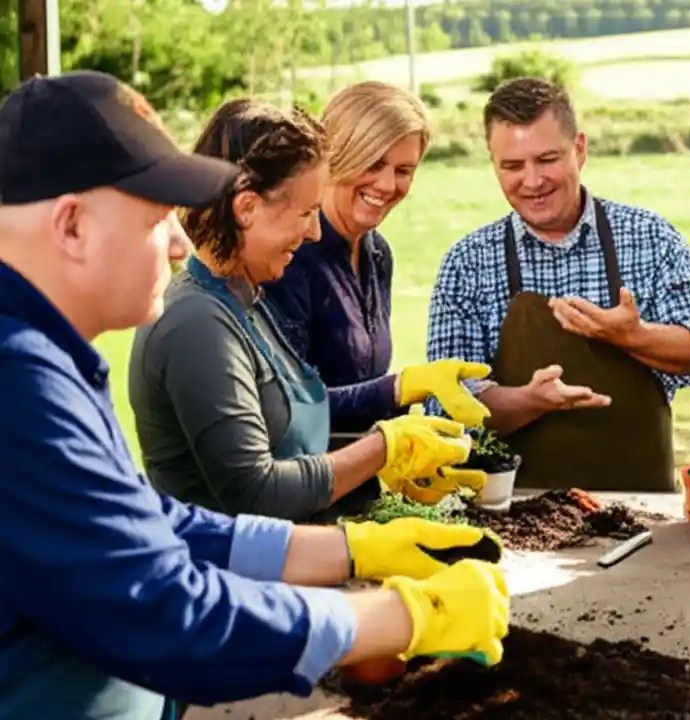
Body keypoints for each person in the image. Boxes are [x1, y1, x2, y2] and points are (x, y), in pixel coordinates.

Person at [0, 70, 508, 720]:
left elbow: (150, 525)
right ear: (72, 228)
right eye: (157, 219)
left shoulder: (41, 356)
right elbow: (165, 613)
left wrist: (352, 549)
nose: (182, 241)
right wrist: (398, 617)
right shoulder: (19, 382)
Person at [129, 98, 489, 522]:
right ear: (246, 208)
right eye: (307, 212)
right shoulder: (197, 323)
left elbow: (295, 440)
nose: (316, 230)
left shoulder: (246, 299)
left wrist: (387, 463)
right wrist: (383, 449)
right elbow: (255, 493)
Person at [427, 77, 690, 492]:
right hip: (513, 509)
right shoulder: (468, 262)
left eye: (547, 159)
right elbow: (444, 402)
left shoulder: (650, 237)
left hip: (640, 506)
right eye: (512, 166)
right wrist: (531, 401)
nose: (531, 181)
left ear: (580, 149)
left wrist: (631, 335)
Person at [263, 81, 436, 441]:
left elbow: (361, 390)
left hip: (360, 481)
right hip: (302, 489)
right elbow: (285, 409)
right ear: (336, 156)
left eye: (404, 170)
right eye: (374, 163)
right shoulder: (289, 256)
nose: (388, 185)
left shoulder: (377, 253)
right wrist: (398, 390)